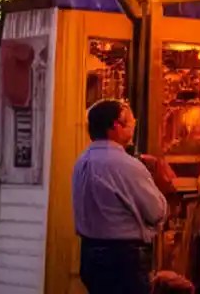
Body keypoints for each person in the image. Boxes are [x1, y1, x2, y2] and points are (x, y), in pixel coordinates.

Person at [72, 99, 176, 294]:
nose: (133, 128)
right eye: (129, 123)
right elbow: (156, 212)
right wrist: (161, 188)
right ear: (115, 126)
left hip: (89, 255)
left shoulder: (82, 162)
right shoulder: (126, 164)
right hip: (122, 260)